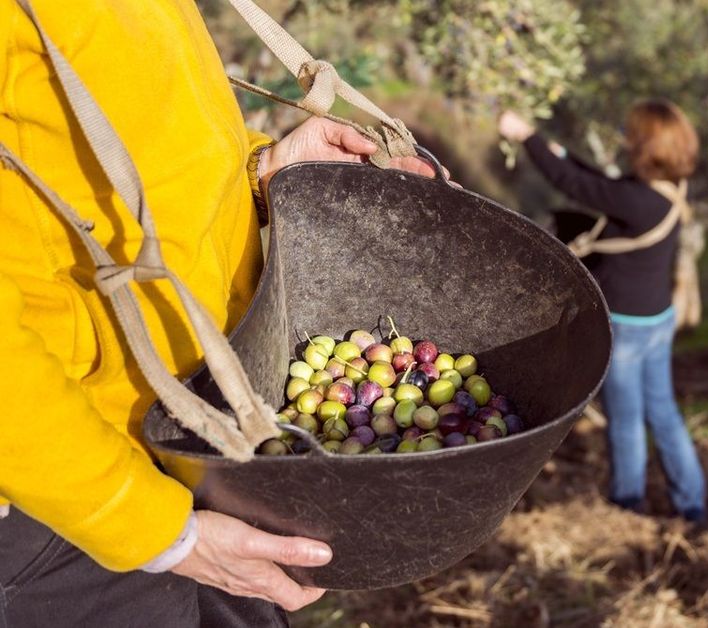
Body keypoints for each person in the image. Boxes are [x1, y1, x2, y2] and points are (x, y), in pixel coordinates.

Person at [0, 2, 435, 626]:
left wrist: (264, 170)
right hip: (67, 493)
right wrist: (150, 528)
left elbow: (141, 137)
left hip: (206, 431)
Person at [498, 101, 708, 523]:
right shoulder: (668, 189)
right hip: (658, 320)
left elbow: (577, 185)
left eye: (633, 136)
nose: (626, 141)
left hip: (626, 327)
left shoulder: (636, 200)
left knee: (626, 421)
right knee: (663, 412)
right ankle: (692, 504)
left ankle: (628, 506)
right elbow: (595, 181)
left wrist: (526, 138)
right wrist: (554, 147)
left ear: (647, 146)